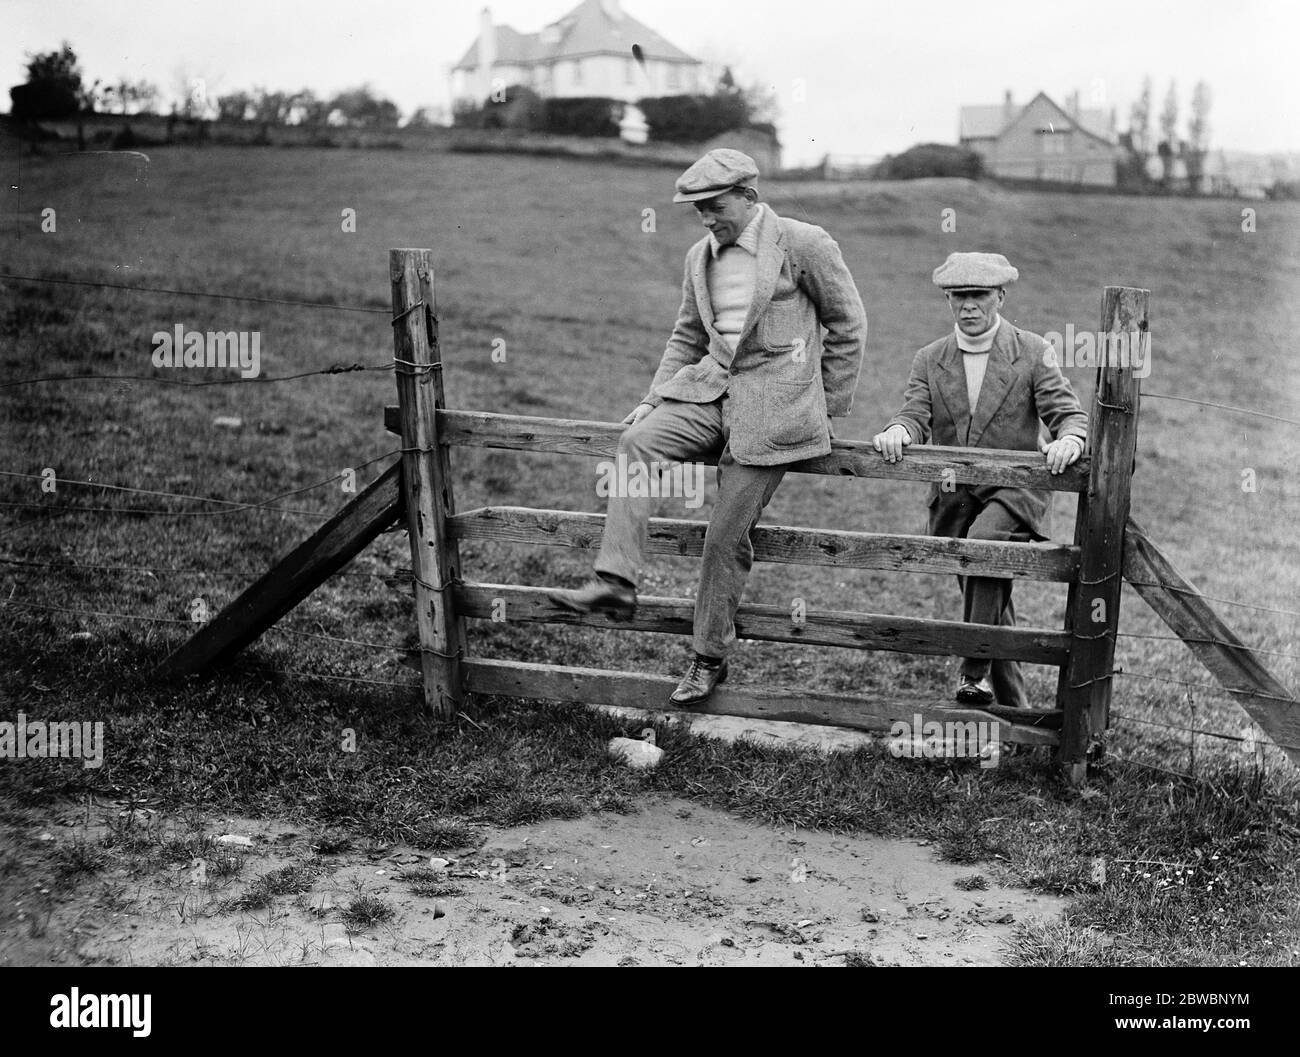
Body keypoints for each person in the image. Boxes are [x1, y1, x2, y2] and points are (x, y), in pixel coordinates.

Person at [548, 148, 867, 706]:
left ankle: (707, 658)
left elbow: (848, 323)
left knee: (723, 537)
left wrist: (827, 407)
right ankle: (615, 583)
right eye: (698, 210)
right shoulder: (701, 256)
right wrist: (653, 399)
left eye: (714, 206)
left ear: (748, 195)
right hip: (710, 391)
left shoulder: (804, 244)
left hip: (775, 413)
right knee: (637, 442)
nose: (707, 219)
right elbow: (686, 336)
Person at [871, 252, 1087, 709]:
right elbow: (915, 415)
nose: (969, 306)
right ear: (949, 299)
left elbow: (1067, 414)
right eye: (959, 296)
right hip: (953, 498)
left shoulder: (1031, 351)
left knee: (985, 546)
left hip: (1013, 490)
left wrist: (1070, 439)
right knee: (987, 600)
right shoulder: (930, 358)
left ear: (1000, 296)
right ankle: (1017, 715)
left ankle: (972, 674)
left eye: (979, 296)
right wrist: (898, 431)